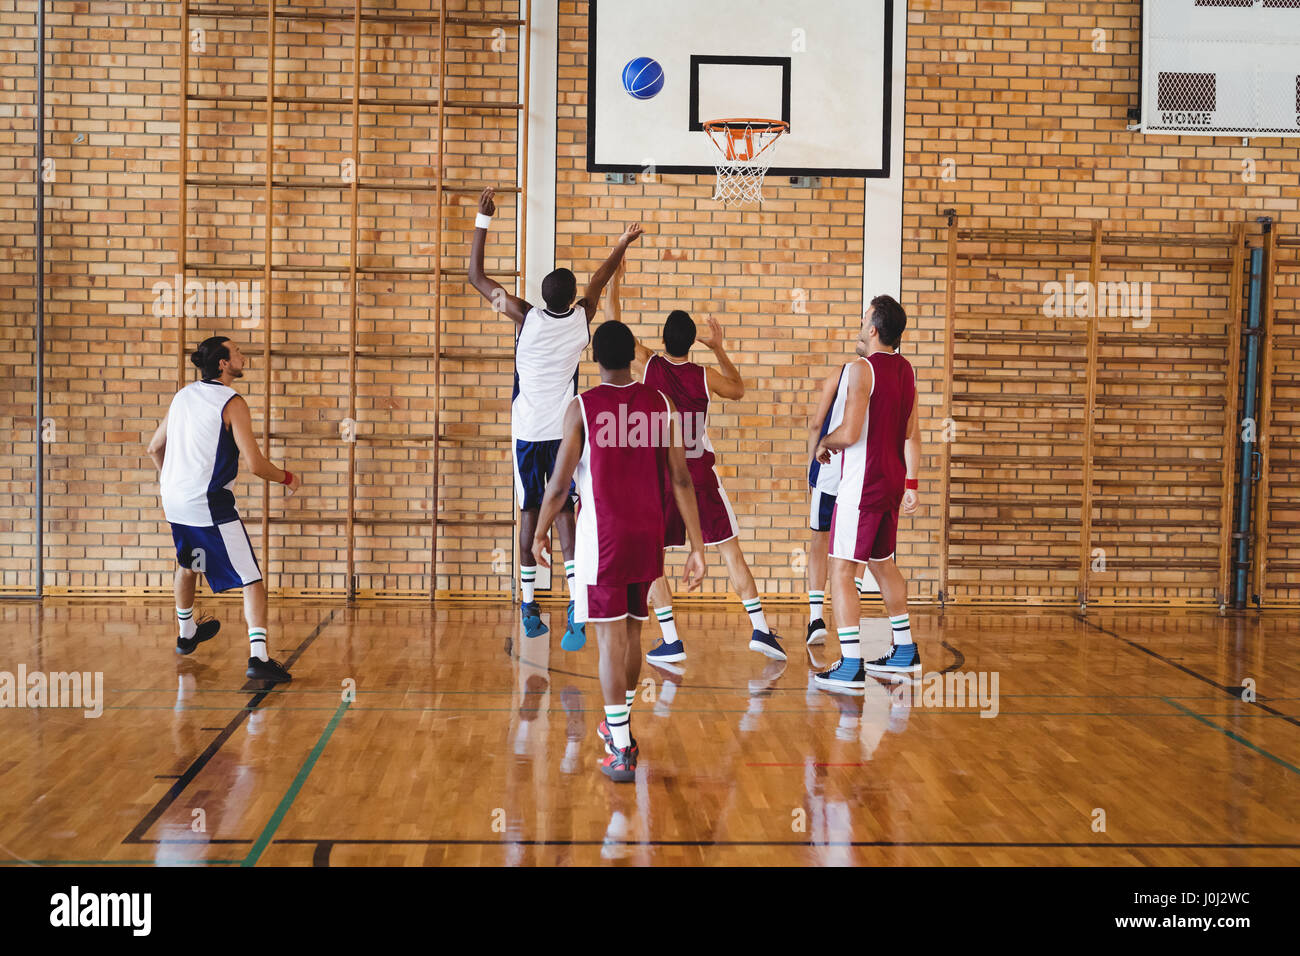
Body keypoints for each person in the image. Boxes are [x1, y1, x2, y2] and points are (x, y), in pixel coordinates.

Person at [532, 320, 706, 782]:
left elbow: (558, 485)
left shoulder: (582, 408)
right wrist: (697, 545)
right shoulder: (660, 404)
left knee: (611, 641)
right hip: (647, 537)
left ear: (595, 359)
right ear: (632, 355)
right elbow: (682, 478)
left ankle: (622, 748)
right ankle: (618, 728)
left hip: (604, 540)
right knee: (630, 635)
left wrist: (538, 534)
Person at [468, 187, 641, 648]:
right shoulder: (583, 320)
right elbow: (600, 280)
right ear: (571, 298)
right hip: (565, 432)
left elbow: (476, 277)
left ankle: (529, 606)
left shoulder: (525, 317)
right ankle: (575, 604)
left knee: (529, 514)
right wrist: (622, 242)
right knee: (564, 510)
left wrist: (483, 220)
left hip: (526, 433)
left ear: (542, 295)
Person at [604, 265, 785, 663]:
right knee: (730, 551)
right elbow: (737, 389)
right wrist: (718, 347)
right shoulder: (705, 376)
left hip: (658, 477)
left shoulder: (650, 365)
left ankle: (670, 638)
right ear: (691, 344)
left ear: (664, 341)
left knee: (652, 559)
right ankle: (759, 629)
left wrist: (617, 274)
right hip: (698, 475)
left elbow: (613, 322)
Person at [146, 336, 301, 682]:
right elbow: (255, 464)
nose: (244, 356)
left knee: (188, 565)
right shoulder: (232, 402)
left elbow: (154, 448)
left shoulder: (182, 396)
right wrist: (288, 477)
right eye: (237, 352)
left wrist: (175, 482)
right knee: (252, 578)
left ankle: (187, 633)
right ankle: (258, 658)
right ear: (222, 364)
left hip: (174, 499)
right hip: (209, 504)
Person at [812, 295, 922, 691]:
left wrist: (826, 441)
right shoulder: (907, 371)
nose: (860, 325)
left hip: (862, 484)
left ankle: (851, 663)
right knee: (882, 565)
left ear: (873, 329)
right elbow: (910, 432)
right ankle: (905, 649)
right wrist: (911, 483)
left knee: (841, 569)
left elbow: (852, 431)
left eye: (863, 320)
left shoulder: (861, 369)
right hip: (891, 482)